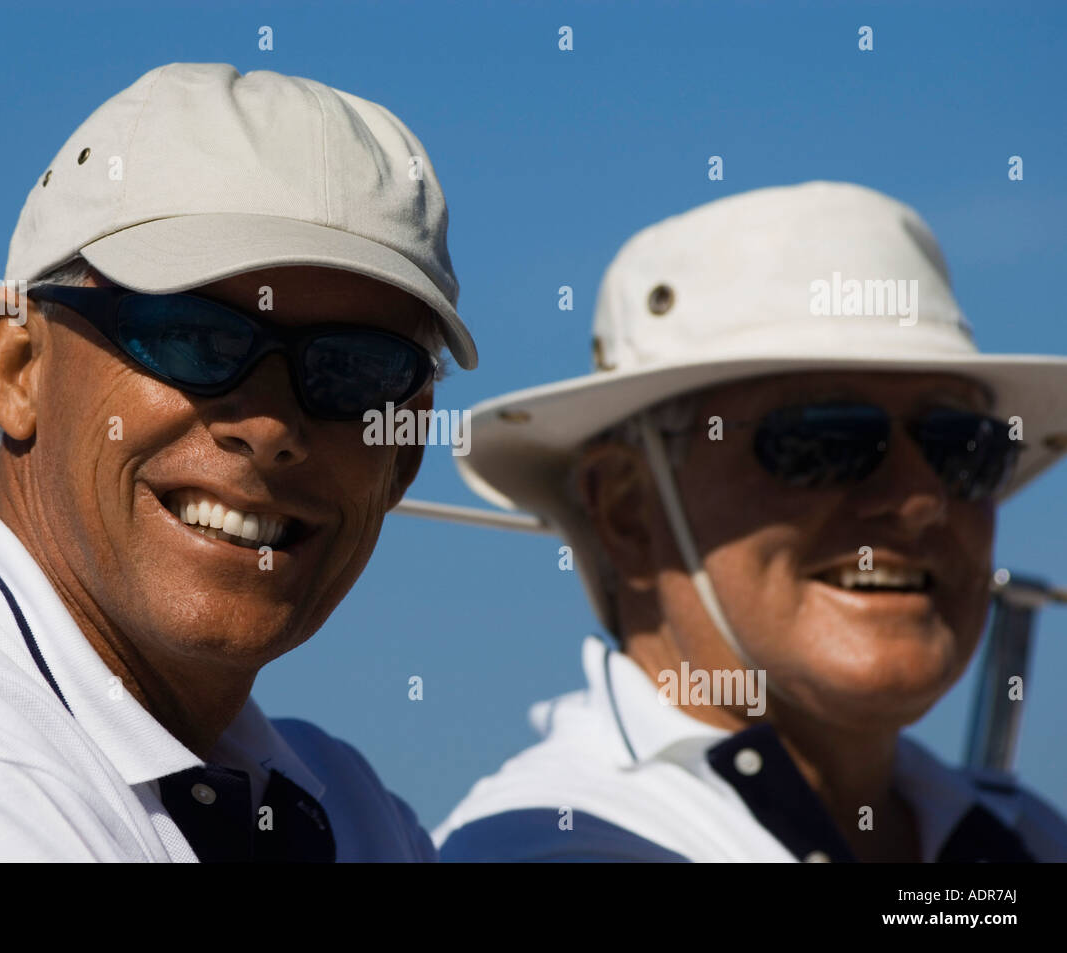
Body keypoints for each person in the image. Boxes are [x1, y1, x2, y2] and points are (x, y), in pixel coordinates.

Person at [0, 62, 476, 862]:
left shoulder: (349, 807)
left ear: (403, 451)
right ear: (15, 364)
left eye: (354, 369)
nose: (272, 424)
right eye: (188, 334)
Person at [437, 181, 1067, 862]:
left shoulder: (1028, 836)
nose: (918, 499)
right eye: (825, 441)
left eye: (963, 446)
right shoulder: (549, 841)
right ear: (627, 510)